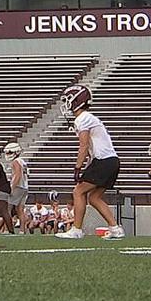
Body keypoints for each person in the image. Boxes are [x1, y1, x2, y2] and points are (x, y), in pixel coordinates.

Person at [55, 85, 124, 240]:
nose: (66, 104)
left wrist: (77, 167)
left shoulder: (82, 118)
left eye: (68, 100)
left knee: (78, 192)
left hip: (104, 161)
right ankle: (115, 228)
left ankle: (77, 229)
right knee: (94, 198)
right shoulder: (88, 117)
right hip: (111, 161)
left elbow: (84, 145)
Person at [4, 142, 30, 233]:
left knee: (8, 208)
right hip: (25, 187)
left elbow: (17, 175)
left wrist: (12, 187)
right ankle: (22, 230)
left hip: (18, 187)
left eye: (10, 152)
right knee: (20, 210)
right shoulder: (22, 161)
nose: (8, 155)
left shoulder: (16, 161)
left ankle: (7, 229)